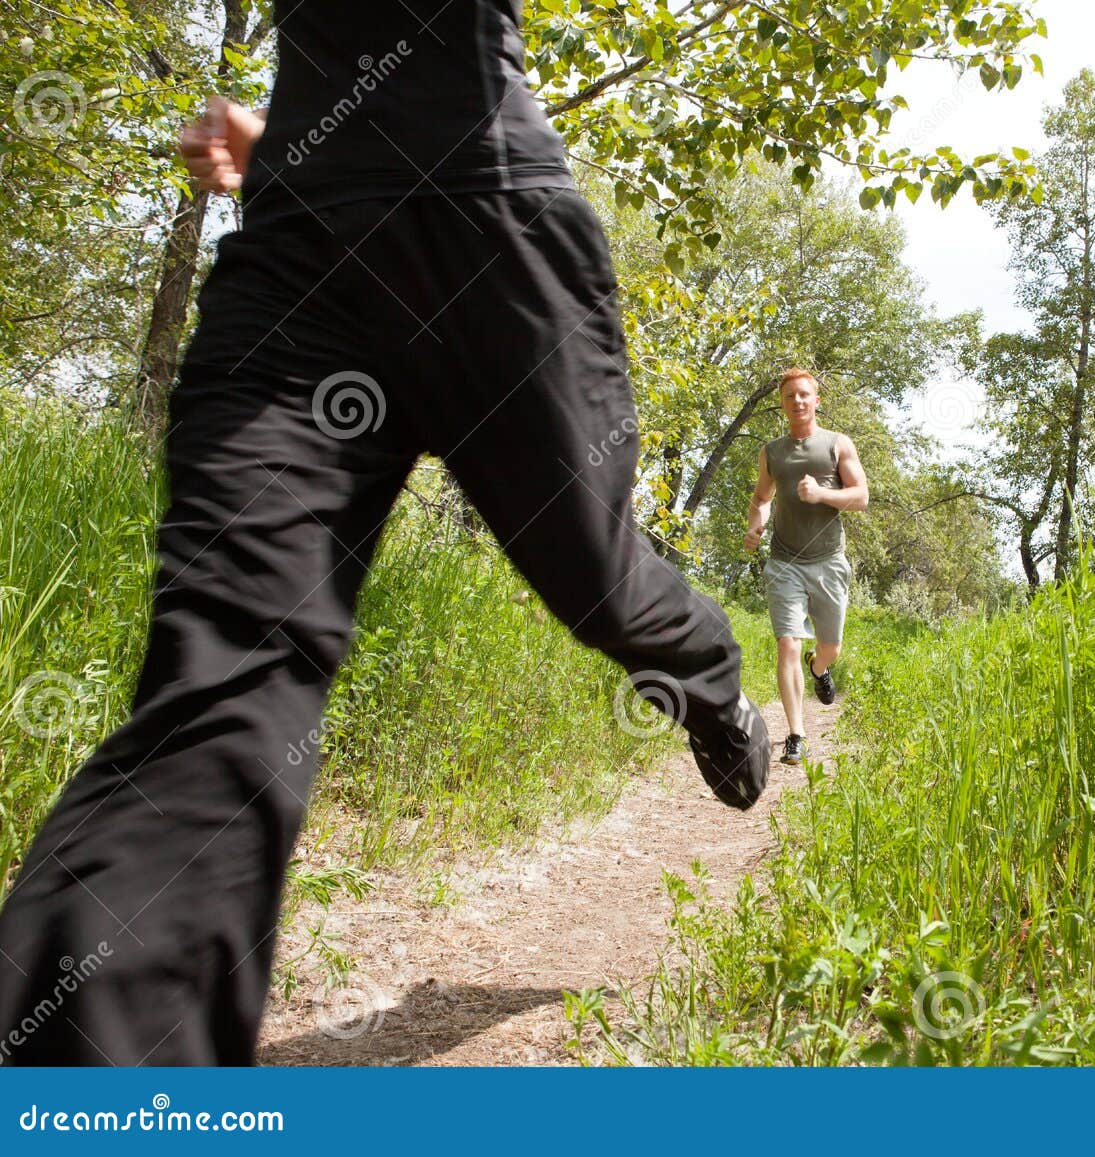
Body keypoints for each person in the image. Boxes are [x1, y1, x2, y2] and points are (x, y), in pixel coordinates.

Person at [0, 0, 769, 1066]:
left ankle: (706, 671)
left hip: (491, 232)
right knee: (226, 669)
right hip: (299, 253)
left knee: (592, 581)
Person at [744, 368, 869, 765]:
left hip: (829, 561)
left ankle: (820, 669)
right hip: (784, 562)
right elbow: (762, 497)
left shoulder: (836, 444)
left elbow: (862, 497)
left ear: (816, 400)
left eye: (803, 395)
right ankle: (797, 733)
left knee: (830, 646)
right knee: (787, 642)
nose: (797, 401)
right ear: (782, 405)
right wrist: (756, 524)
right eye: (789, 397)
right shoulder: (772, 452)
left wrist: (822, 494)